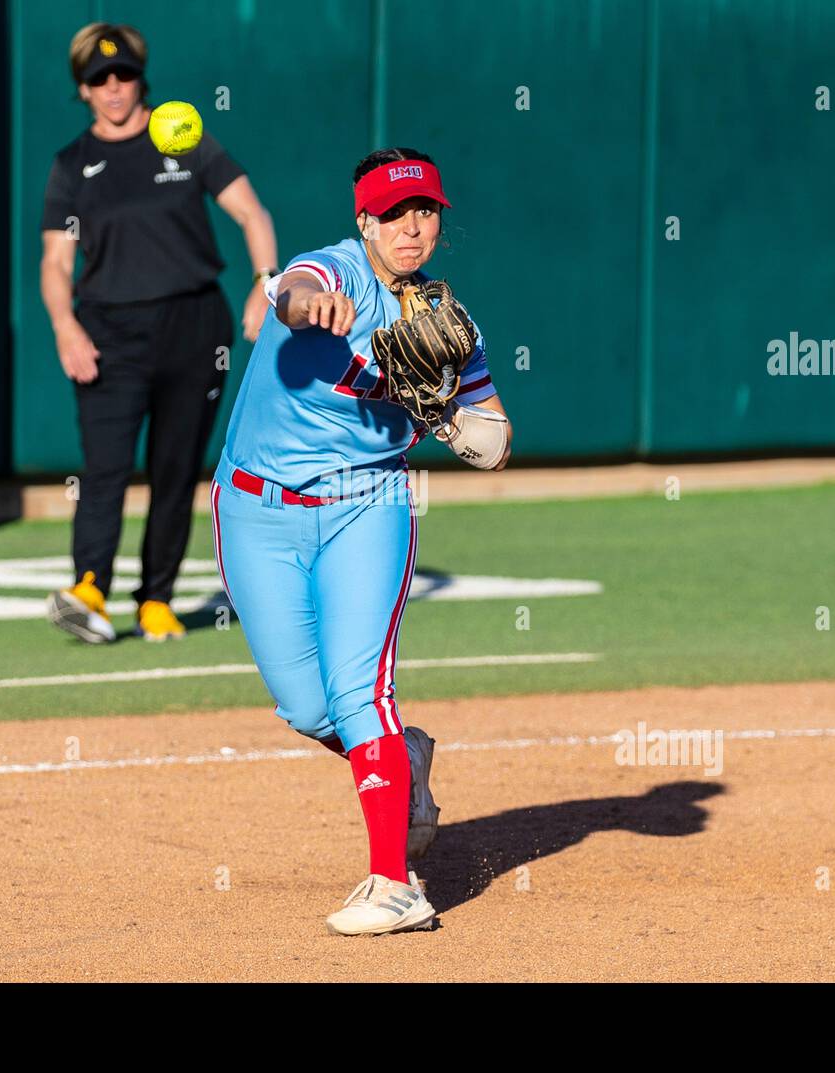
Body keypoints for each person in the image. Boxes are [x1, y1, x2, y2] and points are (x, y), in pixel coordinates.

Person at [209, 148, 513, 935]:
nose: (411, 229)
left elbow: (496, 439)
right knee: (307, 705)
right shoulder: (333, 270)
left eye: (425, 213)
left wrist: (445, 415)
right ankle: (401, 761)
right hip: (254, 509)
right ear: (363, 222)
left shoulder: (451, 324)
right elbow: (290, 292)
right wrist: (311, 306)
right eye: (393, 215)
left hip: (365, 505)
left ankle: (395, 884)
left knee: (356, 690)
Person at [40, 22, 279, 644]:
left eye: (123, 76)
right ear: (82, 90)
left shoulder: (183, 137)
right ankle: (89, 588)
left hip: (195, 325)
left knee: (175, 468)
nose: (114, 89)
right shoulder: (72, 165)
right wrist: (65, 326)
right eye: (99, 80)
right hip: (109, 332)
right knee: (106, 468)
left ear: (141, 78)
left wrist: (265, 280)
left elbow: (252, 212)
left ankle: (157, 600)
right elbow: (56, 261)